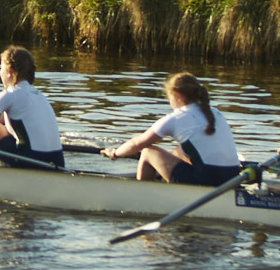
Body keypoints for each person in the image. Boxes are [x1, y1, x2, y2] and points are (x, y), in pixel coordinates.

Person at [102, 72, 243, 186]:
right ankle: (165, 181)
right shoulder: (216, 113)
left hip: (206, 181)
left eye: (169, 98)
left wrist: (115, 153)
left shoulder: (176, 117)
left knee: (147, 152)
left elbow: (137, 143)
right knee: (179, 152)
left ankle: (142, 196)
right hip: (232, 179)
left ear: (178, 96)